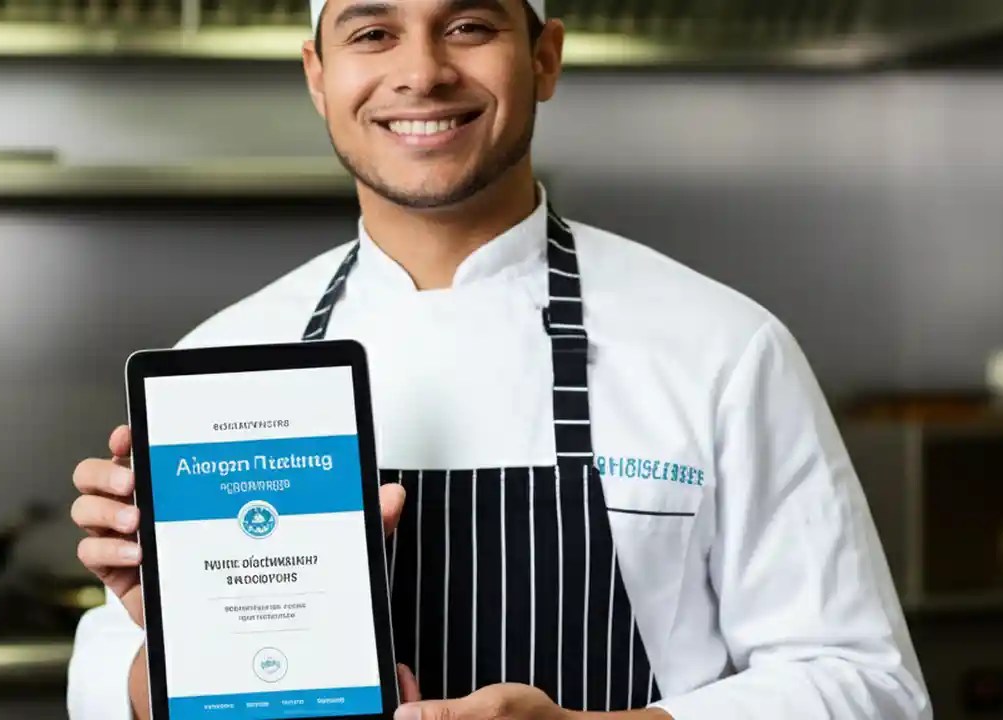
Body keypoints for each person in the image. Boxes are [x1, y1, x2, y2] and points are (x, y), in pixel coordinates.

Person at [66, 0, 933, 715]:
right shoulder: (224, 361)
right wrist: (180, 658)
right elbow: (108, 681)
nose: (422, 72)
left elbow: (871, 689)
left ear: (546, 58)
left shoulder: (722, 348)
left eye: (469, 26)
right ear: (318, 78)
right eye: (373, 33)